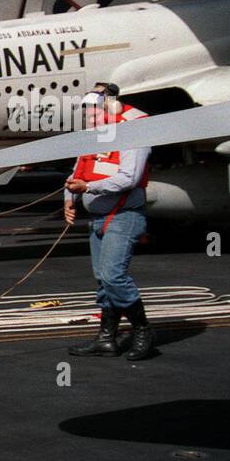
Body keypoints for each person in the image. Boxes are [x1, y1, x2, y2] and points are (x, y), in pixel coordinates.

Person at [65, 83, 155, 361]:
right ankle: (107, 339)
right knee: (103, 280)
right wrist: (68, 198)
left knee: (114, 276)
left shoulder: (132, 132)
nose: (91, 116)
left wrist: (87, 189)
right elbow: (77, 170)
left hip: (123, 216)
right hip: (97, 218)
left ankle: (143, 330)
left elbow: (129, 177)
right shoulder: (95, 135)